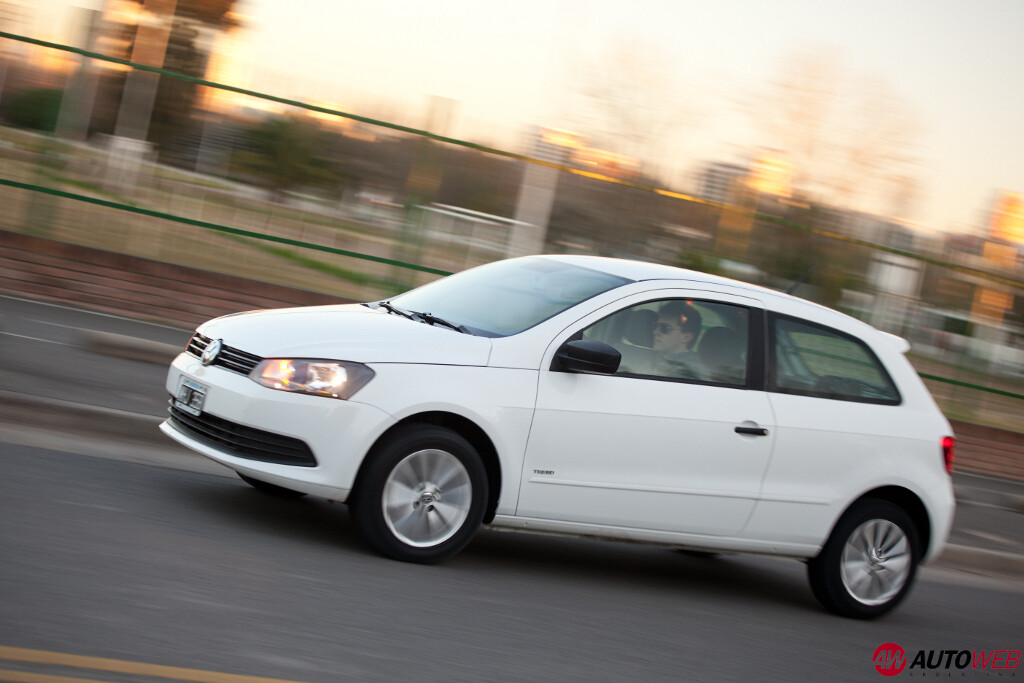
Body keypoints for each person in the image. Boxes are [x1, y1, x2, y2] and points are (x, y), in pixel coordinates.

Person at [649, 300, 705, 379]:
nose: (655, 332)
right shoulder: (657, 357)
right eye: (655, 325)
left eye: (665, 328)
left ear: (686, 337)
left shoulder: (691, 373)